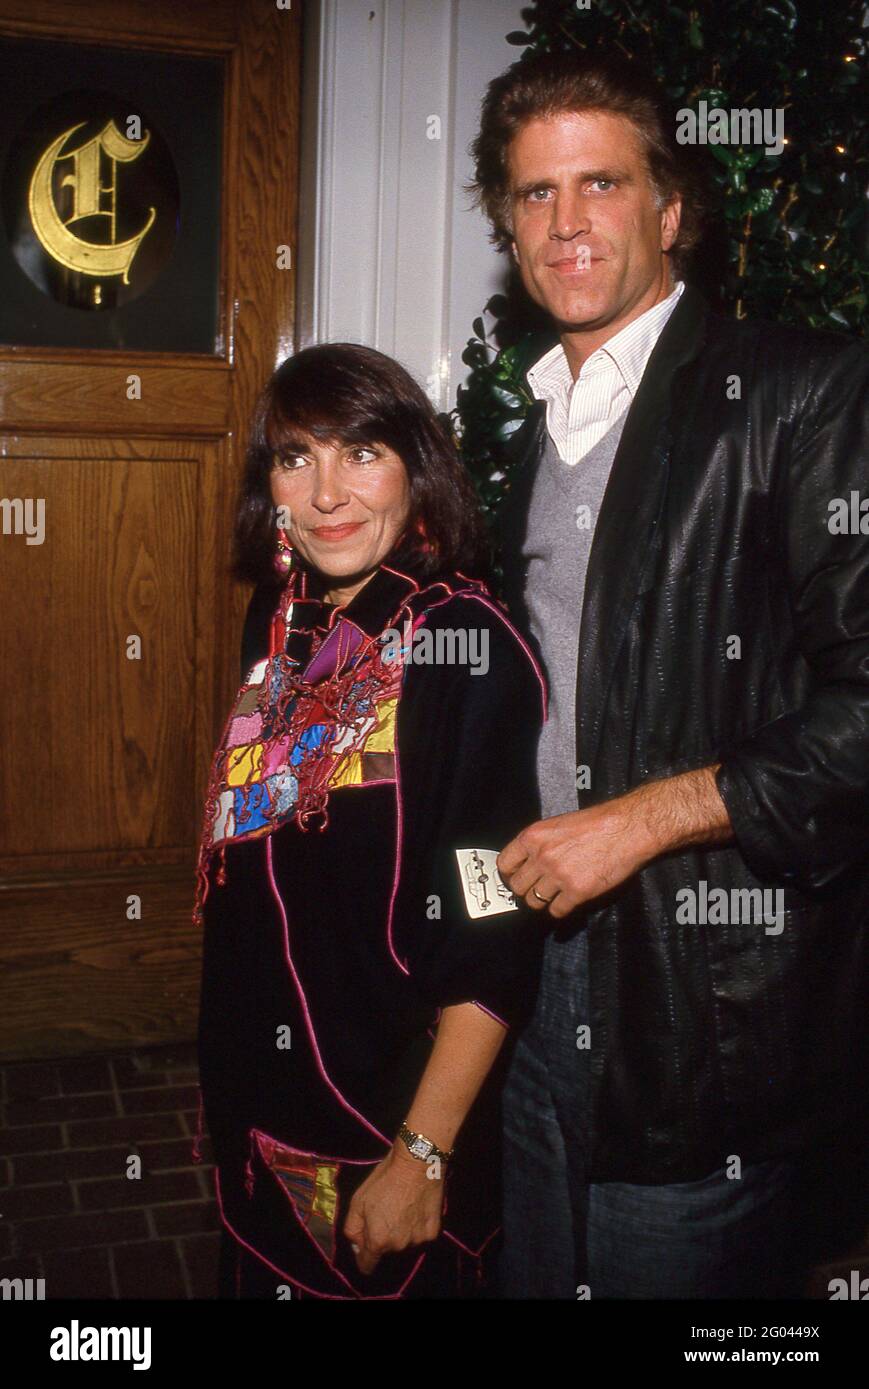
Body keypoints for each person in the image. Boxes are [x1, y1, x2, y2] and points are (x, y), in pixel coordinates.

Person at [467, 49, 869, 1298]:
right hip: (525, 972)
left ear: (671, 211)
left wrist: (638, 824)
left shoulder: (799, 394)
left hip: (704, 995)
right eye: (534, 194)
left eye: (600, 183)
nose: (565, 222)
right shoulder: (520, 429)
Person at [193, 343, 545, 1299]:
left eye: (361, 453)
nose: (327, 493)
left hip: (380, 1123)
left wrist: (420, 1155)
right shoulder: (281, 617)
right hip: (260, 1110)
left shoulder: (463, 650)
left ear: (414, 467)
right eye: (296, 457)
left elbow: (492, 925)